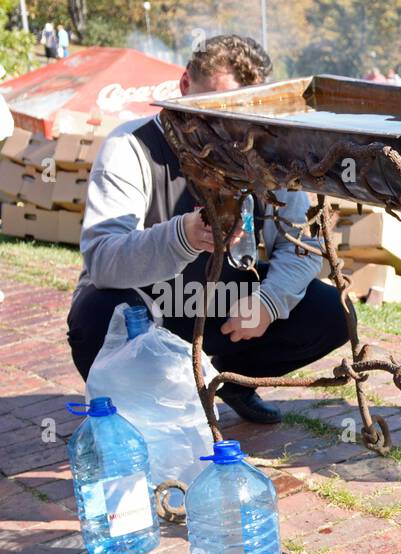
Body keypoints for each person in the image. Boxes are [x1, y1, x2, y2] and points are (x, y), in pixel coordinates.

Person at [66, 35, 350, 425]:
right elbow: (102, 260)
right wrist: (180, 237)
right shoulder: (130, 146)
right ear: (185, 85)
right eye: (214, 107)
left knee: (333, 312)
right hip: (149, 305)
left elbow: (301, 247)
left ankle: (233, 380)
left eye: (242, 109)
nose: (228, 126)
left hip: (222, 303)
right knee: (97, 316)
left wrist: (269, 302)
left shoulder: (267, 152)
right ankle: (146, 404)